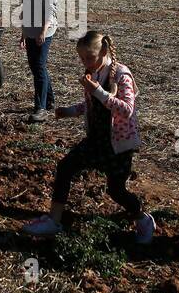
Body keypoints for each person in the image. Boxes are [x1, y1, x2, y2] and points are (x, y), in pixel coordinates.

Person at [22, 30, 154, 244]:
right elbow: (91, 106)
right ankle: (54, 220)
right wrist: (69, 111)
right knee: (66, 166)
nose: (86, 63)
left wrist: (98, 91)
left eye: (89, 58)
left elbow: (127, 109)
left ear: (103, 51)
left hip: (118, 144)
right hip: (96, 140)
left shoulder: (122, 74)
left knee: (116, 190)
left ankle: (143, 219)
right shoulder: (94, 73)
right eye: (82, 59)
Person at [17, 0, 58, 123]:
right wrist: (24, 34)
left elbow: (50, 9)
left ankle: (40, 108)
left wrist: (42, 31)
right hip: (32, 31)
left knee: (38, 67)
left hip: (43, 31)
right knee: (37, 67)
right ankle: (49, 101)